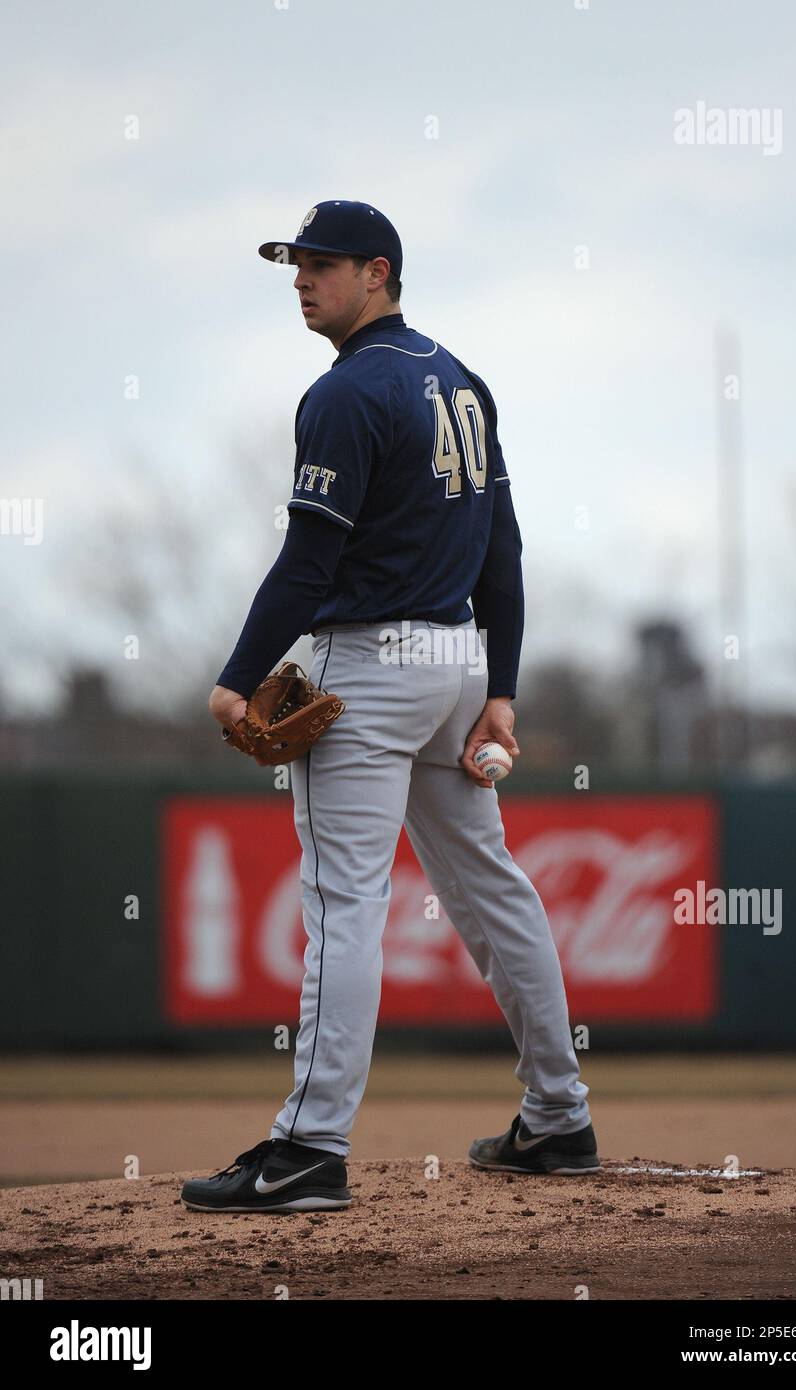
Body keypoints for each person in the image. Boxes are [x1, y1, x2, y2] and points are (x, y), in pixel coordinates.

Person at [181, 200, 599, 1215]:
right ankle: (557, 1118)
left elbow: (308, 560)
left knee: (342, 904)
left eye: (321, 263)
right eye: (292, 262)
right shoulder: (458, 381)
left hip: (367, 666)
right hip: (452, 661)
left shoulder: (344, 393)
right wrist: (496, 688)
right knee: (489, 887)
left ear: (378, 271)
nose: (300, 277)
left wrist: (239, 673)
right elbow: (499, 549)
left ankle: (309, 1150)